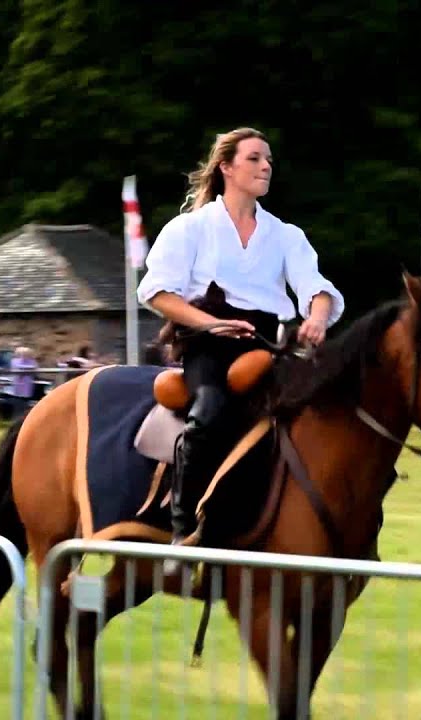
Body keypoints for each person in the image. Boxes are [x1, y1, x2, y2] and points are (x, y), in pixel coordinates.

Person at [135, 126, 344, 552]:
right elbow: (157, 293)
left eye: (269, 160)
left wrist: (318, 319)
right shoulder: (190, 228)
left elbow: (317, 289)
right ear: (226, 167)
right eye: (254, 158)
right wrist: (211, 324)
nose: (266, 166)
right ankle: (182, 527)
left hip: (268, 346)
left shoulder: (285, 235)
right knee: (210, 411)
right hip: (207, 346)